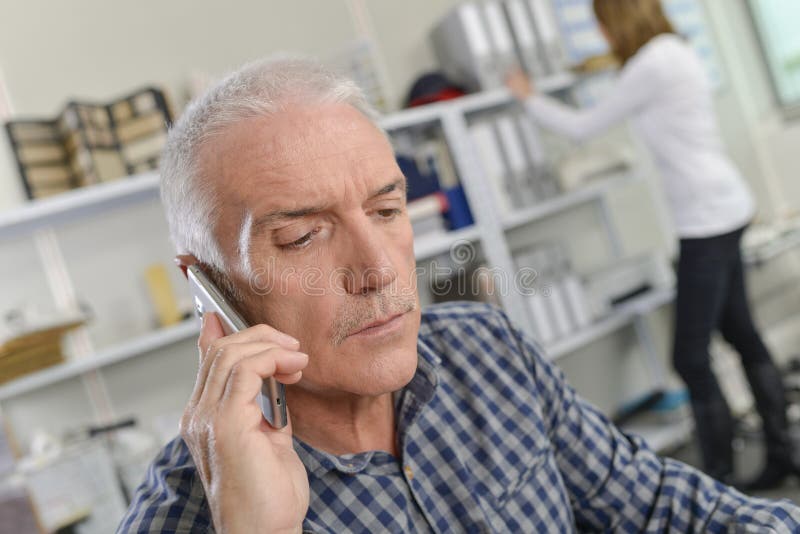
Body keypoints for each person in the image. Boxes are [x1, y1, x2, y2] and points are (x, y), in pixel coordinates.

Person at [117, 56, 800, 533]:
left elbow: (661, 508)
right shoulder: (182, 515)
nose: (379, 270)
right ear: (209, 287)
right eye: (302, 237)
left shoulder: (484, 349)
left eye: (387, 212)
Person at [506, 0, 796, 491]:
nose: (599, 35)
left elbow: (581, 127)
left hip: (705, 219)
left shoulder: (650, 65)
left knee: (689, 356)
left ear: (616, 20)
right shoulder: (672, 51)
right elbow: (623, 73)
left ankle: (719, 477)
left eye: (601, 24)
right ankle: (783, 452)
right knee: (741, 333)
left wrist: (528, 97)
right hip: (726, 206)